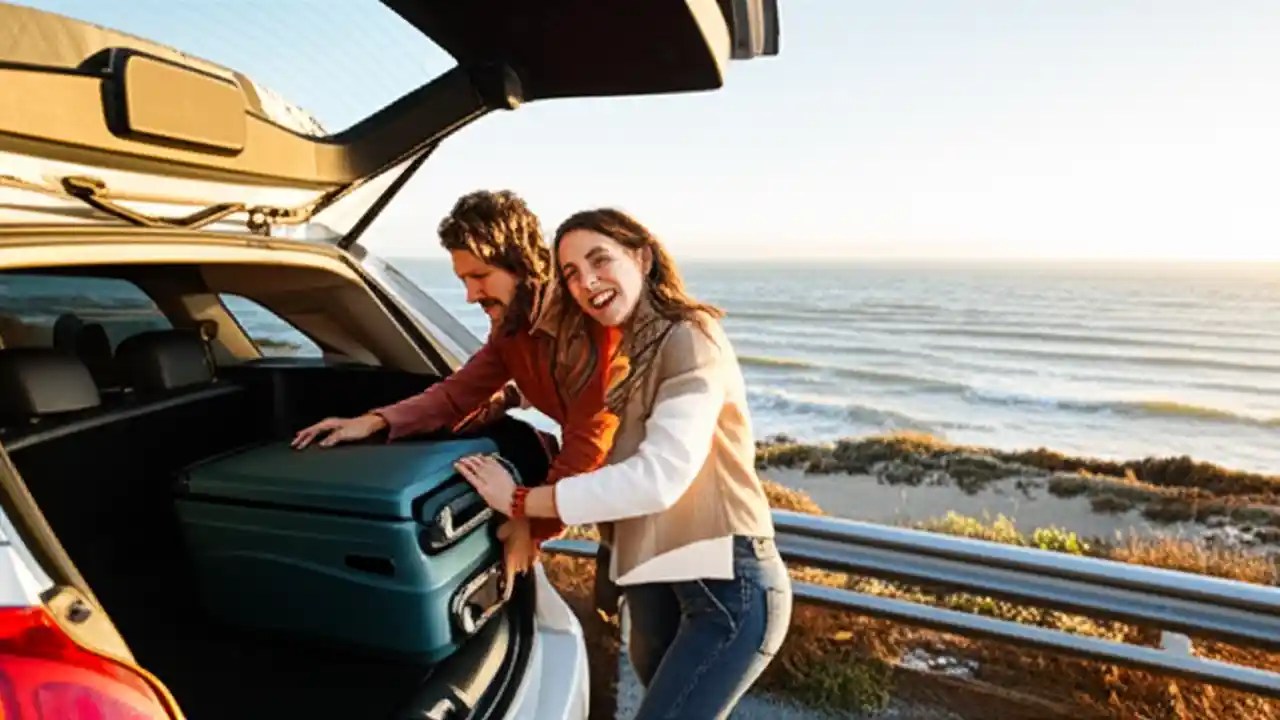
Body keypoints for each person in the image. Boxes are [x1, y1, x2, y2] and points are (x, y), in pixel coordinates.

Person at [454, 209, 793, 720]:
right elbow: (593, 414)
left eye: (599, 260)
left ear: (643, 255)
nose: (586, 281)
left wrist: (522, 501)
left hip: (728, 589)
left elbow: (659, 477)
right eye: (569, 273)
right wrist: (514, 396)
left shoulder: (689, 335)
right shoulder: (635, 350)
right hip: (665, 580)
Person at [291, 190, 624, 592]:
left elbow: (589, 444)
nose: (470, 295)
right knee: (636, 615)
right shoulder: (512, 329)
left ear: (521, 264)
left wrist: (530, 529)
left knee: (682, 624)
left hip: (680, 495)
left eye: (479, 277)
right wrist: (374, 421)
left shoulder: (591, 324)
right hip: (611, 490)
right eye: (464, 280)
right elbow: (456, 394)